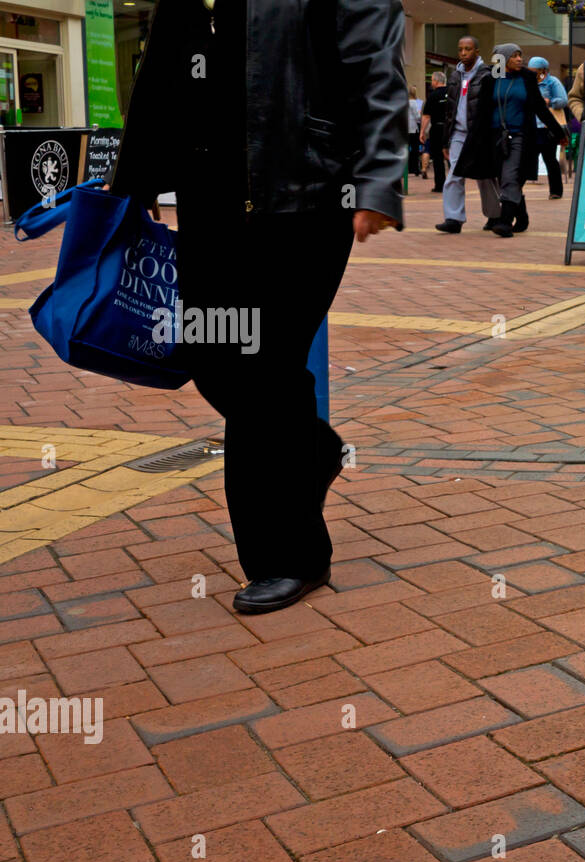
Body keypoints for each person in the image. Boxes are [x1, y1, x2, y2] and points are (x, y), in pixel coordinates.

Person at [110, 0, 405, 615]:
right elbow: (163, 64)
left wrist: (375, 182)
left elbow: (377, 69)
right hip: (209, 200)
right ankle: (314, 450)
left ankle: (289, 557)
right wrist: (134, 179)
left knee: (265, 368)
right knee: (216, 358)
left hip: (307, 194)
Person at [454, 44, 567, 238]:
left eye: (519, 56)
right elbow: (481, 112)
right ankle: (521, 217)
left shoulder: (527, 78)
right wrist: (473, 139)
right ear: (503, 59)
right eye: (514, 56)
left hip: (520, 136)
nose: (519, 59)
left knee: (511, 176)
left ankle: (504, 222)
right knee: (505, 178)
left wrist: (558, 133)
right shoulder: (491, 80)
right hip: (495, 138)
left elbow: (540, 108)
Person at [437, 36, 500, 234]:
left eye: (468, 49)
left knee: (485, 177)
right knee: (454, 175)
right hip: (458, 133)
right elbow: (449, 110)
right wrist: (446, 140)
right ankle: (453, 218)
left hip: (480, 134)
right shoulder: (455, 75)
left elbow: (496, 102)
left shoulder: (487, 74)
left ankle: (494, 215)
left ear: (477, 51)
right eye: (460, 49)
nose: (463, 53)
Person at [527, 57, 566, 199]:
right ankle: (517, 188)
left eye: (535, 71)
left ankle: (556, 191)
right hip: (531, 126)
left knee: (549, 159)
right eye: (530, 71)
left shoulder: (552, 82)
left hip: (547, 127)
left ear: (543, 70)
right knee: (528, 158)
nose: (533, 73)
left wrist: (549, 102)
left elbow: (563, 100)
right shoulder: (528, 82)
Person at [420, 71, 448, 191]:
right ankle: (455, 184)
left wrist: (422, 131)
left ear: (436, 81)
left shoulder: (432, 96)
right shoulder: (452, 92)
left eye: (432, 80)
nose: (431, 83)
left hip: (437, 128)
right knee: (452, 156)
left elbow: (426, 116)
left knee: (438, 158)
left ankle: (440, 185)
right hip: (451, 128)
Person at [407, 85, 424, 178]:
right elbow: (417, 117)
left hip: (405, 129)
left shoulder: (403, 102)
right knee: (415, 150)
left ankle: (406, 169)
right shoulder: (414, 103)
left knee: (406, 149)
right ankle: (415, 169)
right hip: (413, 129)